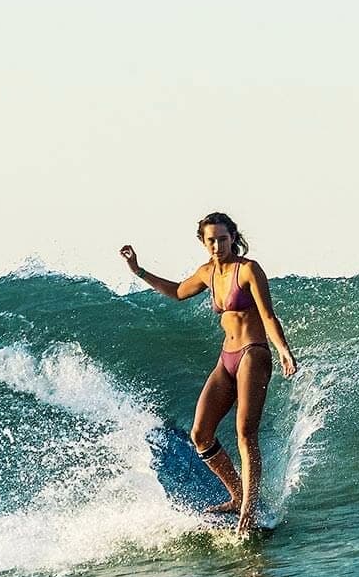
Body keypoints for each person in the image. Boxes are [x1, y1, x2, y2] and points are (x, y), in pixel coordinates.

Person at [120, 212, 298, 532]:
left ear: (233, 237)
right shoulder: (207, 273)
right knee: (200, 434)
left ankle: (249, 506)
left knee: (246, 432)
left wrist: (283, 351)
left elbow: (269, 316)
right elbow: (176, 292)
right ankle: (236, 495)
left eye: (223, 239)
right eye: (210, 240)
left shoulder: (248, 270)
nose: (217, 245)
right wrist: (138, 270)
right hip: (226, 357)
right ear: (203, 242)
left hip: (252, 354)